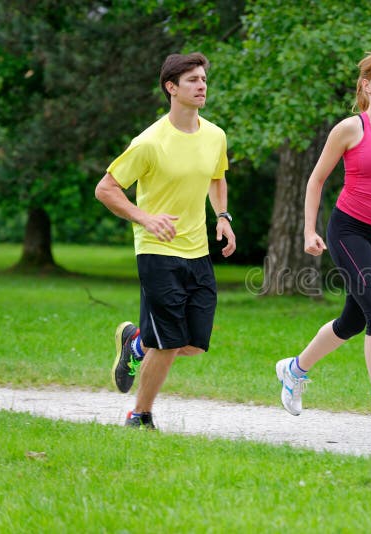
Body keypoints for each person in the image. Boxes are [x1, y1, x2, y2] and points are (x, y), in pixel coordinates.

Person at [275, 50, 371, 441]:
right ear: (367, 85)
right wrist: (308, 231)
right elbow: (316, 180)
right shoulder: (350, 129)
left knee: (354, 320)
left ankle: (295, 369)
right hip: (348, 231)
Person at [95, 52, 236, 430]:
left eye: (203, 78)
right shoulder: (150, 142)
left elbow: (217, 176)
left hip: (197, 251)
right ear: (171, 88)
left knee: (193, 343)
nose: (202, 85)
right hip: (157, 251)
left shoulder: (215, 136)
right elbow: (106, 189)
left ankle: (135, 343)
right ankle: (140, 415)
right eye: (192, 80)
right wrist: (144, 218)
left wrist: (223, 217)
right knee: (169, 342)